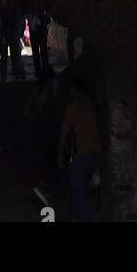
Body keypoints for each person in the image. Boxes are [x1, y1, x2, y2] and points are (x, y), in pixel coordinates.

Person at [58, 74, 101, 222]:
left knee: (77, 192)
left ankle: (87, 218)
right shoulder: (91, 105)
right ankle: (80, 216)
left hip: (80, 154)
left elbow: (64, 131)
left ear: (73, 90)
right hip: (94, 153)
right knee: (85, 191)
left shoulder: (72, 107)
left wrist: (60, 152)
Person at [0, 3, 24, 81]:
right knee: (11, 56)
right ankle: (13, 75)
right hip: (9, 34)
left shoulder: (4, 10)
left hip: (9, 34)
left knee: (10, 56)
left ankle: (9, 75)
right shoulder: (9, 9)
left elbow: (0, 23)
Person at [28, 9, 51, 78]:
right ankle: (38, 73)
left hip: (41, 27)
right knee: (36, 52)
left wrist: (46, 19)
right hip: (34, 28)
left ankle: (45, 71)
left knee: (43, 51)